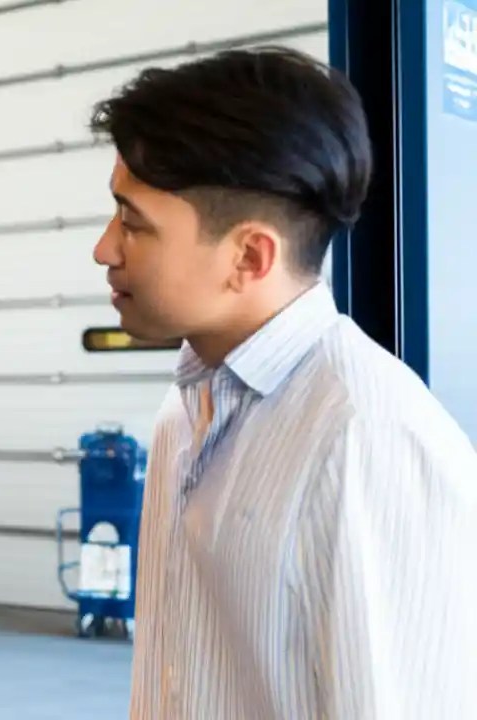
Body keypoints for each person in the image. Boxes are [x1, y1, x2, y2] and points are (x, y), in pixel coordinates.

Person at [89, 47, 477, 718]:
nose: (105, 248)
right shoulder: (184, 412)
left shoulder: (364, 438)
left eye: (133, 223)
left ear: (249, 255)